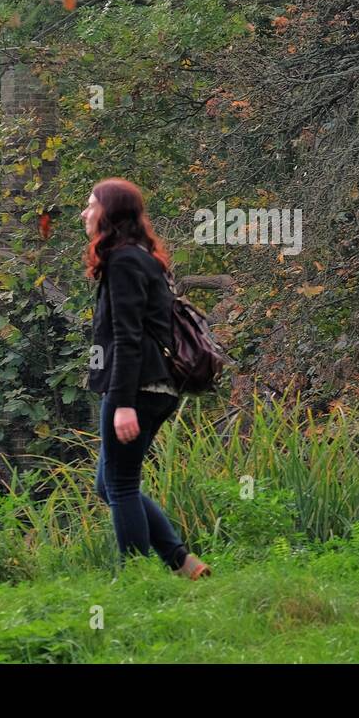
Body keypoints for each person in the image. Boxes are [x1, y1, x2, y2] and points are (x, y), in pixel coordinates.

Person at [81, 177, 211, 579]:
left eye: (91, 206)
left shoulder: (123, 261)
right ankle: (181, 562)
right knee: (110, 483)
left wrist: (121, 404)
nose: (84, 214)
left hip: (136, 388)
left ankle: (135, 579)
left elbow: (128, 336)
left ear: (111, 214)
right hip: (154, 387)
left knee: (119, 484)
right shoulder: (141, 257)